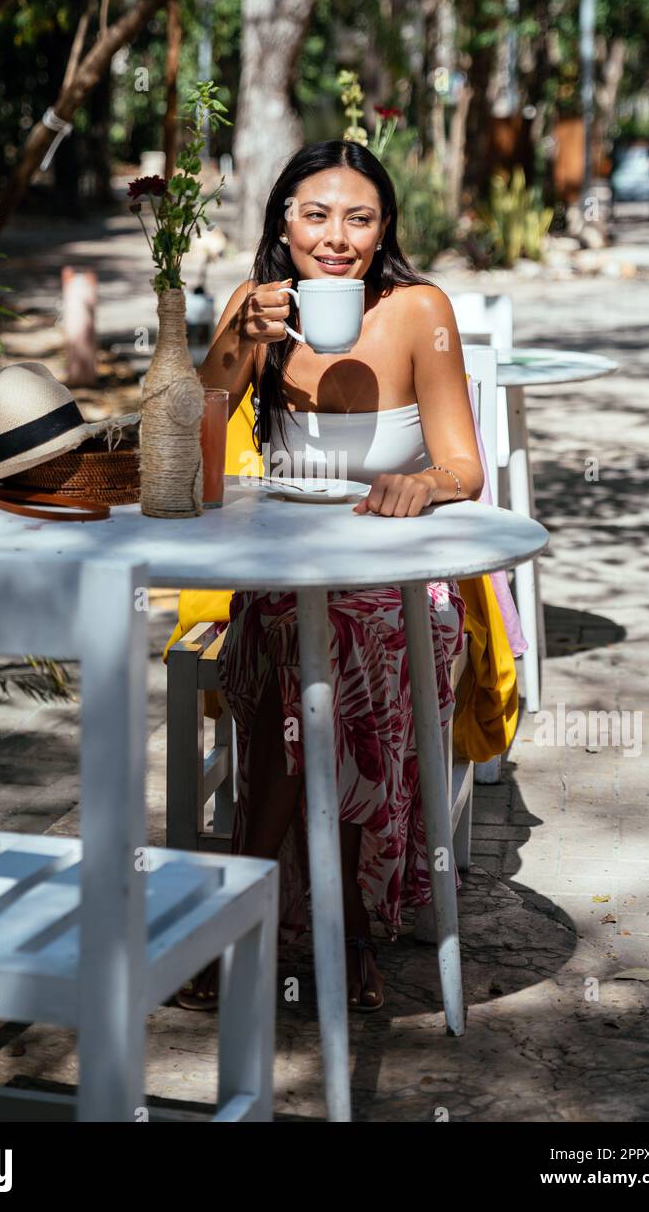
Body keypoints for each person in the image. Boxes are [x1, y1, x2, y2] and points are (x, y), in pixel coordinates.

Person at [176, 140, 483, 1013]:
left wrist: (419, 482)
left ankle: (249, 920)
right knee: (300, 628)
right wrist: (229, 352)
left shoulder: (419, 308)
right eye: (317, 214)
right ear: (284, 221)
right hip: (284, 580)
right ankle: (341, 925)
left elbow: (465, 468)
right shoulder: (256, 311)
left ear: (384, 228)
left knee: (342, 638)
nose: (337, 237)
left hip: (404, 584)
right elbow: (191, 470)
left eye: (360, 217)